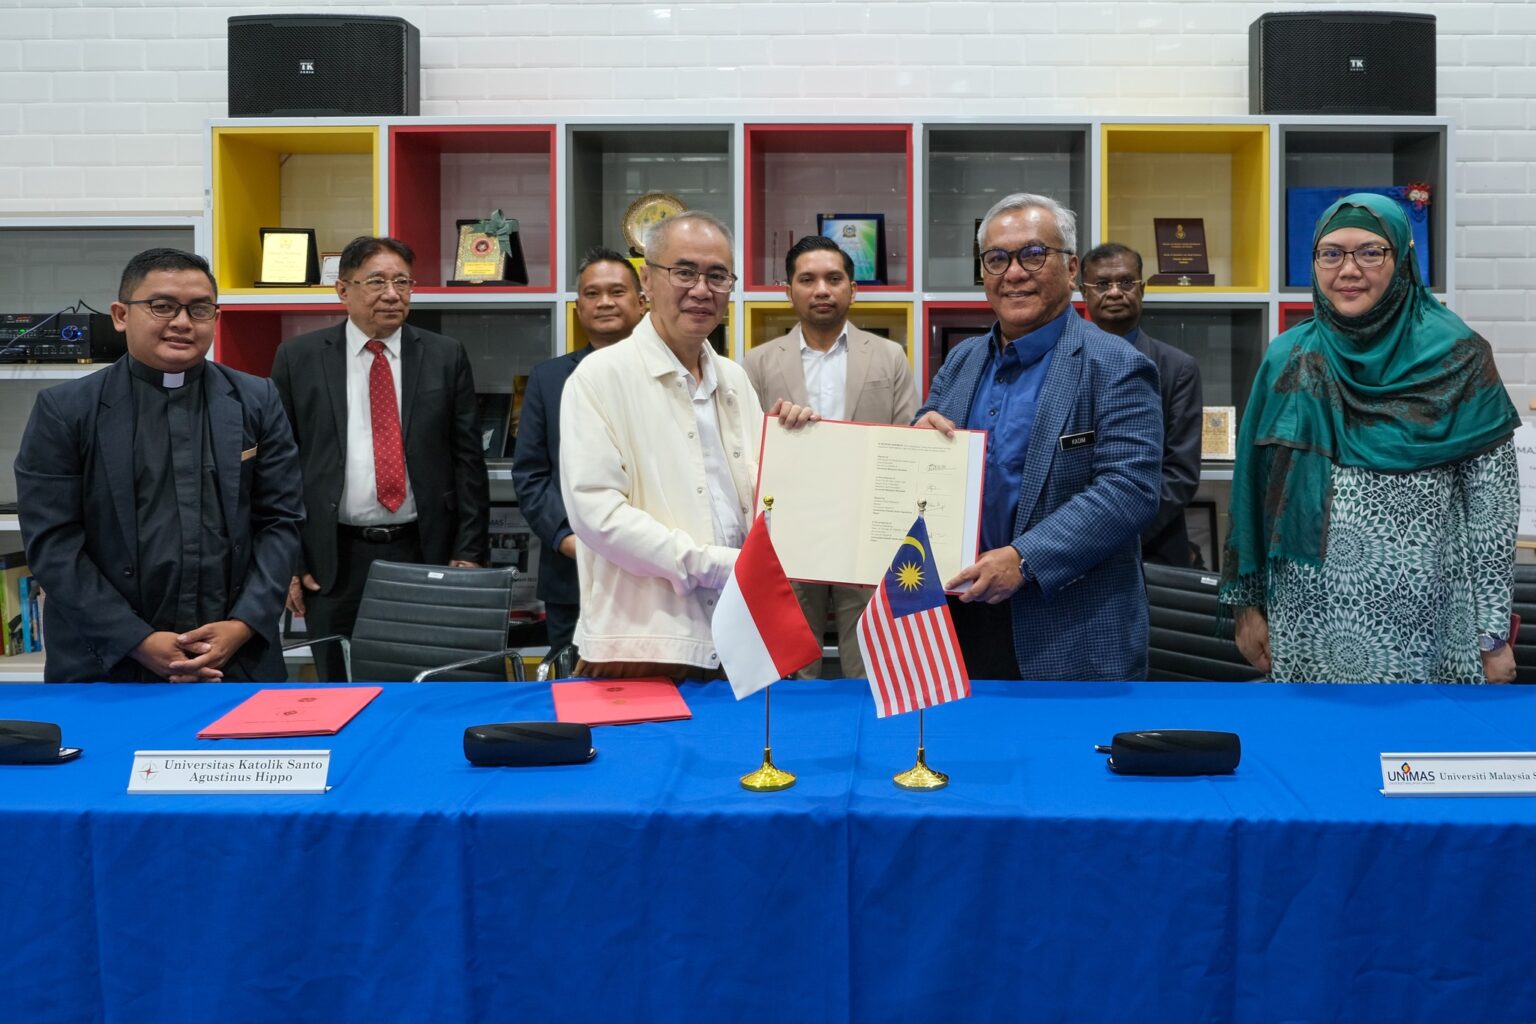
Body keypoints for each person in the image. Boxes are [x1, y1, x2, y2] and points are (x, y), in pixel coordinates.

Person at [1220, 192, 1520, 684]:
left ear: (1402, 259)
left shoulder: (1459, 357)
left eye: (1370, 252)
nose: (1349, 269)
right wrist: (1246, 608)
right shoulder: (1290, 359)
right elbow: (1252, 491)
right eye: (1331, 253)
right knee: (1317, 754)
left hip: (1433, 630)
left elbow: (1492, 511)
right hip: (1304, 627)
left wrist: (1492, 638)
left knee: (1419, 756)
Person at [15, 248, 303, 682]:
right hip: (106, 660)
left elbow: (281, 522)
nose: (182, 322)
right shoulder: (66, 410)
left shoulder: (256, 400)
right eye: (162, 306)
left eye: (200, 308)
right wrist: (136, 640)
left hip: (235, 658)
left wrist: (242, 626)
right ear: (120, 314)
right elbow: (53, 545)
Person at [914, 193, 1162, 681]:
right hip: (957, 619)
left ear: (1071, 271)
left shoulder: (1117, 365)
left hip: (1067, 631)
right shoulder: (962, 359)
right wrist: (918, 437)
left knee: (1065, 757)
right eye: (996, 259)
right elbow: (928, 443)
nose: (1014, 272)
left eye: (1032, 254)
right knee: (961, 754)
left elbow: (1128, 490)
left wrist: (1025, 559)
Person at [559, 211, 814, 681]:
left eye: (717, 275)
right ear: (646, 282)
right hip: (646, 645)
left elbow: (758, 499)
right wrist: (713, 566)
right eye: (684, 271)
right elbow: (598, 515)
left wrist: (795, 454)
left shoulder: (734, 379)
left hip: (741, 633)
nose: (702, 289)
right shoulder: (599, 378)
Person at [270, 235, 490, 681]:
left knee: (426, 683)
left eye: (402, 282)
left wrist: (468, 551)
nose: (392, 294)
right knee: (340, 685)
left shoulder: (445, 356)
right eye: (376, 281)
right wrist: (290, 564)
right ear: (342, 289)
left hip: (424, 549)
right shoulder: (299, 358)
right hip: (332, 559)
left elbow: (468, 460)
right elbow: (279, 468)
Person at [745, 234, 920, 678]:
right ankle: (795, 746)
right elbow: (746, 449)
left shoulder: (889, 356)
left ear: (852, 289)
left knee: (869, 662)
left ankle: (872, 746)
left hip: (865, 529)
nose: (821, 289)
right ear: (788, 291)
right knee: (792, 663)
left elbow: (905, 439)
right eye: (808, 279)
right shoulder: (757, 363)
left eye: (833, 278)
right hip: (790, 531)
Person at [511, 247, 646, 653]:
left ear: (642, 302)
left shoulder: (670, 372)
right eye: (592, 293)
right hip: (574, 573)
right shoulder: (548, 379)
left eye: (617, 291)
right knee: (573, 692)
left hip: (659, 574)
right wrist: (569, 540)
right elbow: (531, 475)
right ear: (577, 307)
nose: (604, 302)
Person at [1080, 242, 1203, 566]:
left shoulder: (1178, 368)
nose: (1115, 292)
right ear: (1083, 293)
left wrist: (1110, 535)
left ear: (1142, 289)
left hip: (1151, 551)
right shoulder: (1063, 365)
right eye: (1103, 284)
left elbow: (1180, 474)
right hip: (1072, 550)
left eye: (1126, 282)